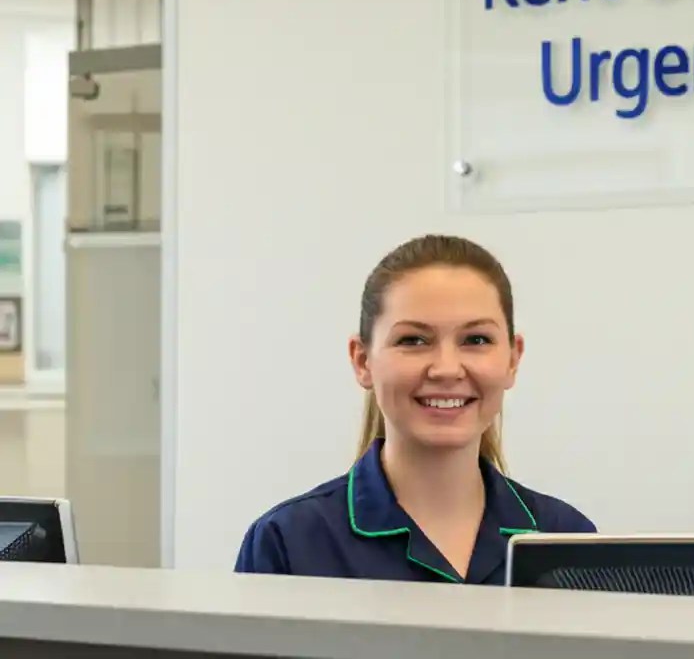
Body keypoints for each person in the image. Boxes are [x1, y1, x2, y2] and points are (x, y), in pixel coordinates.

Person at [235, 234, 595, 583]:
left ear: (513, 360)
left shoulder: (566, 539)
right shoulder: (288, 544)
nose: (447, 369)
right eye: (413, 340)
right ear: (362, 361)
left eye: (476, 340)